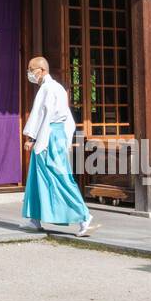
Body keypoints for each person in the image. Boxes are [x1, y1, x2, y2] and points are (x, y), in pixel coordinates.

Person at [22, 56, 95, 236]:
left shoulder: (47, 88)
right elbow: (66, 116)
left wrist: (31, 137)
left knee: (59, 177)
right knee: (38, 176)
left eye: (32, 70)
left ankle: (84, 216)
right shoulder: (58, 88)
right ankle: (35, 218)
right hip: (55, 134)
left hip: (50, 135)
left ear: (42, 70)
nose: (30, 74)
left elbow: (41, 114)